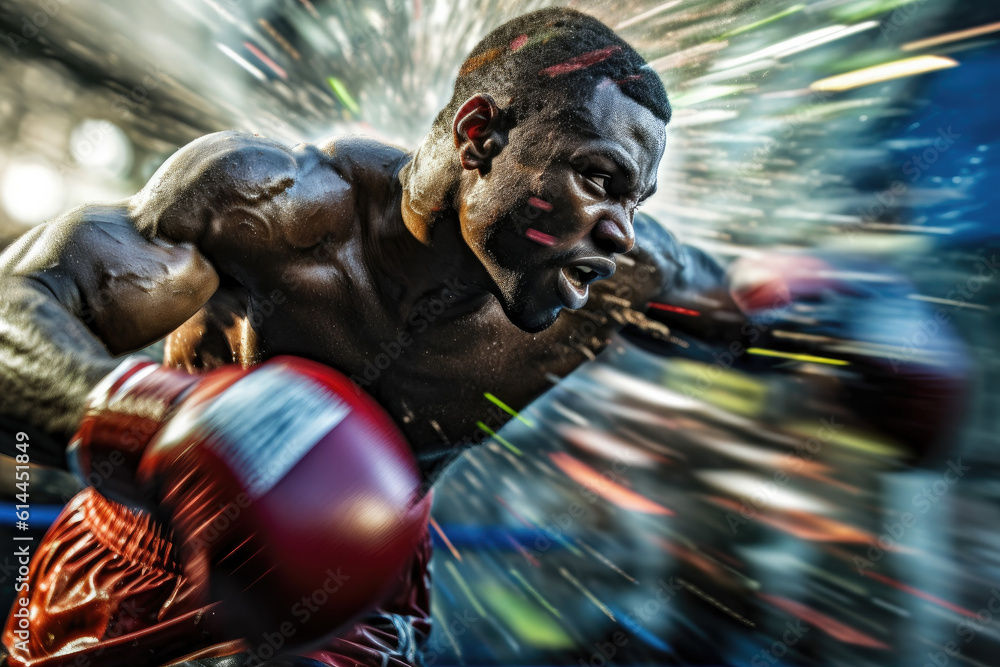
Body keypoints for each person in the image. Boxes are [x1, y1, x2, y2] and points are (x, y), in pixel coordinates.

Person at [0, 7, 966, 667]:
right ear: (480, 133)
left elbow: (767, 321)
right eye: (598, 177)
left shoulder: (625, 280)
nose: (623, 227)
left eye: (639, 199)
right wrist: (153, 427)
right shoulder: (279, 206)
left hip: (354, 605)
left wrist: (850, 340)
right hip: (136, 566)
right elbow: (20, 308)